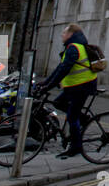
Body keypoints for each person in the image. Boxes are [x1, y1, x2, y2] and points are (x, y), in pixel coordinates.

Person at [35, 23, 97, 159]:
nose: (62, 35)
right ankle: (84, 118)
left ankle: (76, 147)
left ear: (71, 34)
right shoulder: (71, 47)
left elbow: (65, 69)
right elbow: (59, 68)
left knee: (72, 117)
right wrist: (45, 82)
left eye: (64, 33)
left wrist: (49, 87)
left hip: (83, 86)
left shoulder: (74, 48)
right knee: (58, 102)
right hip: (74, 86)